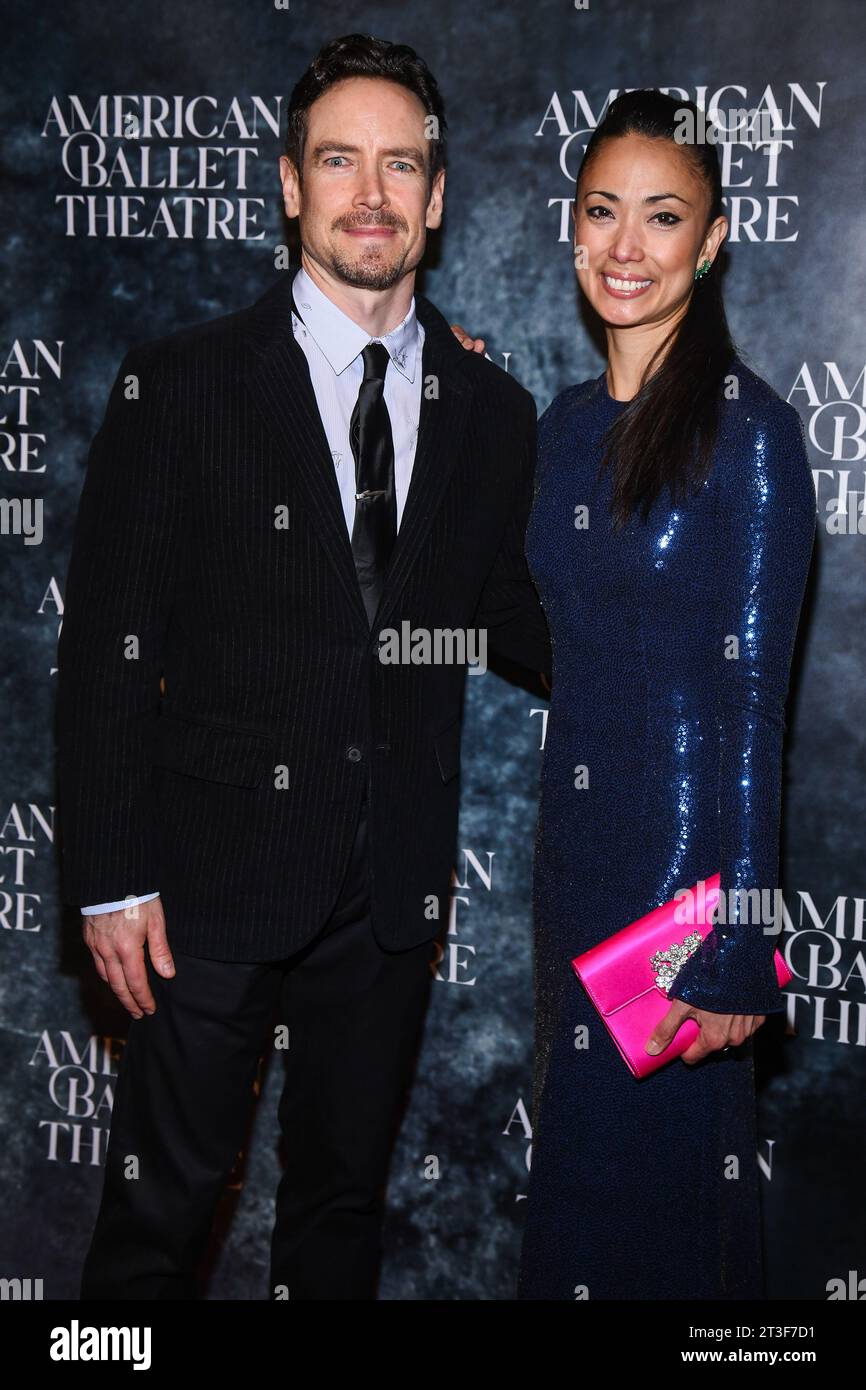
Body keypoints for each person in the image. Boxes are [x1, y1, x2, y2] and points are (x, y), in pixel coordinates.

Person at [56, 33, 550, 1301]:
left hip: (386, 891)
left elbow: (506, 619)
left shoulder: (489, 414)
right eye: (341, 161)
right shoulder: (180, 386)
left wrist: (666, 649)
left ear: (437, 201)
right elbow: (109, 646)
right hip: (203, 888)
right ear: (289, 184)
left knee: (339, 1213)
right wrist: (110, 872)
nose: (371, 194)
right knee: (153, 1227)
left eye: (401, 166)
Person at [456, 89, 816, 1300]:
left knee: (660, 1222)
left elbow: (754, 703)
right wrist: (458, 410)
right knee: (579, 1211)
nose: (625, 245)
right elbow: (526, 626)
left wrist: (736, 943)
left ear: (710, 240)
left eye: (661, 218)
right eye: (602, 211)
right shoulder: (558, 430)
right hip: (576, 866)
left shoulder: (747, 433)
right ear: (569, 228)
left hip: (684, 903)